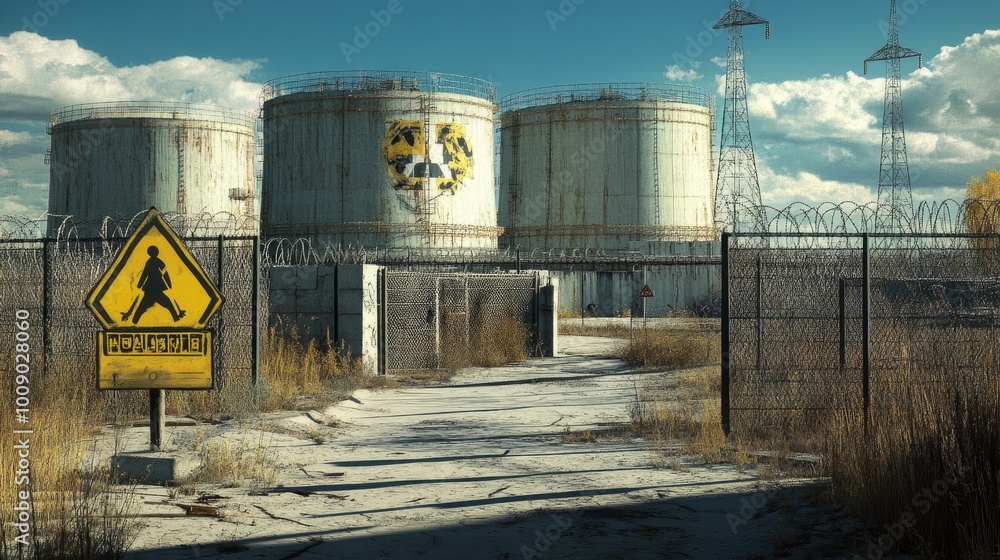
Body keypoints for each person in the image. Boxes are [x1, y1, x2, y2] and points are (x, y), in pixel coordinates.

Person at [131, 245, 185, 324]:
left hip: (154, 289)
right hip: (153, 289)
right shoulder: (155, 261)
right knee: (143, 306)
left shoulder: (154, 261)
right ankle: (134, 321)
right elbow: (147, 273)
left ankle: (134, 321)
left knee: (145, 306)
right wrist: (139, 284)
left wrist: (140, 284)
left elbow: (163, 272)